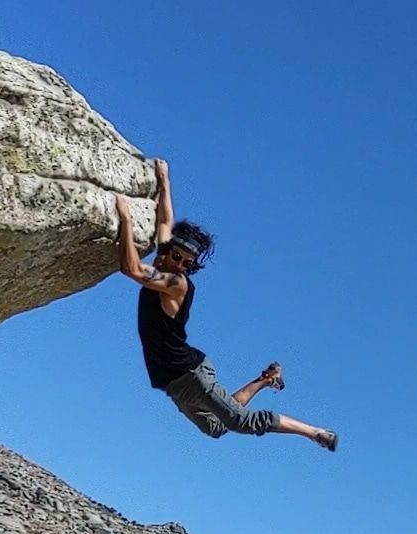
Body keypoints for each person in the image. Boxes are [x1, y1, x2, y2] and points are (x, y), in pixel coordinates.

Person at [114, 162, 339, 452]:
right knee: (216, 427)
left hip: (188, 374)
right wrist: (164, 180)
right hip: (175, 381)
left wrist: (125, 219)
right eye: (178, 257)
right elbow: (165, 223)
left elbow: (130, 268)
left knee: (239, 422)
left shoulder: (175, 283)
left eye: (187, 263)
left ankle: (315, 432)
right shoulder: (163, 260)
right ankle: (265, 380)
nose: (180, 264)